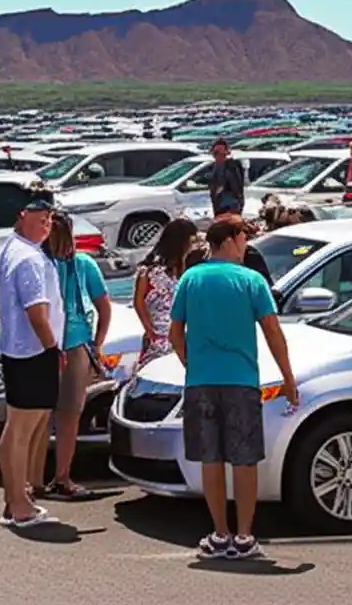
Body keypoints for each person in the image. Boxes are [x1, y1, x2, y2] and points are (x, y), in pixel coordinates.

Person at [169, 214, 298, 560]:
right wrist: (288, 377)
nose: (246, 245)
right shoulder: (251, 281)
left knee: (211, 459)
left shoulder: (190, 279)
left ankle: (219, 532)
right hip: (241, 380)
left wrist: (191, 364)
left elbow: (174, 334)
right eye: (243, 237)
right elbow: (273, 332)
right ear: (228, 239)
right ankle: (244, 535)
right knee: (244, 460)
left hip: (202, 381)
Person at [0, 196, 64, 527]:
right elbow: (37, 312)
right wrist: (53, 348)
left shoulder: (17, 247)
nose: (46, 224)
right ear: (22, 217)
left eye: (49, 218)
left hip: (18, 350)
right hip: (33, 352)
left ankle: (14, 500)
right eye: (39, 217)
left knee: (16, 430)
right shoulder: (28, 259)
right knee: (22, 431)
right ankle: (20, 504)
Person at [37, 211, 111, 500]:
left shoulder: (83, 264)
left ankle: (62, 476)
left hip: (76, 342)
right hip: (47, 345)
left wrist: (97, 342)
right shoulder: (42, 264)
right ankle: (36, 477)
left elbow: (103, 305)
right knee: (41, 414)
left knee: (69, 414)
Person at [133, 218, 199, 367]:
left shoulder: (191, 269)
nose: (194, 246)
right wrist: (149, 329)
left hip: (185, 337)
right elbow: (138, 302)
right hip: (159, 339)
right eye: (192, 241)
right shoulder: (149, 271)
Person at [208, 139, 245, 216]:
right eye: (216, 153)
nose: (218, 156)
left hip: (231, 206)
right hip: (218, 206)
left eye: (221, 153)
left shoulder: (232, 166)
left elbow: (237, 187)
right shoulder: (213, 167)